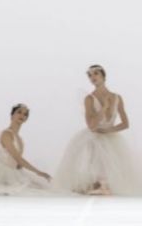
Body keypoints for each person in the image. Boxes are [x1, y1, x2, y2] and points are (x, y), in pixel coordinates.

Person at [54, 65, 141, 195]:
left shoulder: (117, 97)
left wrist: (110, 130)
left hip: (110, 136)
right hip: (93, 137)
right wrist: (104, 108)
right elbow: (91, 126)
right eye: (89, 75)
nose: (92, 77)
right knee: (95, 157)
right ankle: (96, 184)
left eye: (96, 74)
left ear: (103, 76)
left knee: (113, 169)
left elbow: (125, 123)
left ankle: (103, 185)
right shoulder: (89, 99)